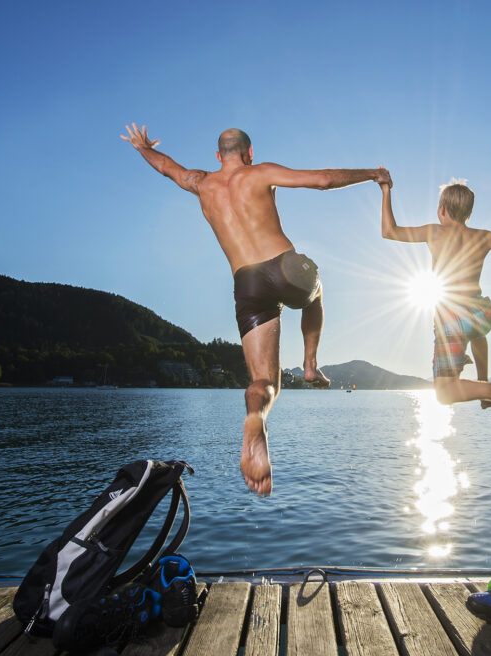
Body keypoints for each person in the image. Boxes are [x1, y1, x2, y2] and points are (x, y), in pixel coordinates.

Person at [121, 124, 390, 494]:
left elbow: (167, 167)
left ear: (218, 156)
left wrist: (142, 148)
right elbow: (324, 180)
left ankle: (254, 417)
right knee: (317, 292)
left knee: (265, 383)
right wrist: (373, 174)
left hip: (245, 284)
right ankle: (311, 365)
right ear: (249, 152)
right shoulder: (259, 172)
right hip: (282, 265)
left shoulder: (201, 182)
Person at [379, 177, 491, 425]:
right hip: (481, 314)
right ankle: (484, 384)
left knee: (444, 394)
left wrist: (385, 190)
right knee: (477, 334)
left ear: (441, 209)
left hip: (451, 318)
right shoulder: (485, 237)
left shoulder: (435, 232)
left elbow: (389, 231)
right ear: (469, 213)